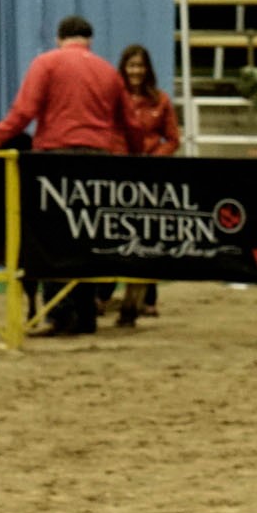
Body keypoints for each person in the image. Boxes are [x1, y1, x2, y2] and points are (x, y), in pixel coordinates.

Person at [0, 15, 143, 336]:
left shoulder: (46, 63)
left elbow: (24, 112)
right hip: (98, 161)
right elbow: (131, 124)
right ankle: (86, 314)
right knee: (85, 237)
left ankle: (57, 314)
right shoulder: (108, 71)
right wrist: (136, 157)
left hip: (55, 160)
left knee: (51, 240)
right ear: (89, 40)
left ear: (59, 37)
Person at [112, 43, 180, 326]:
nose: (136, 71)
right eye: (131, 65)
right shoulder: (114, 99)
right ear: (123, 69)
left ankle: (139, 302)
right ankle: (104, 296)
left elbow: (173, 139)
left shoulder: (160, 100)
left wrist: (152, 159)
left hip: (151, 179)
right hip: (118, 176)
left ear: (147, 69)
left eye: (140, 65)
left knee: (146, 239)